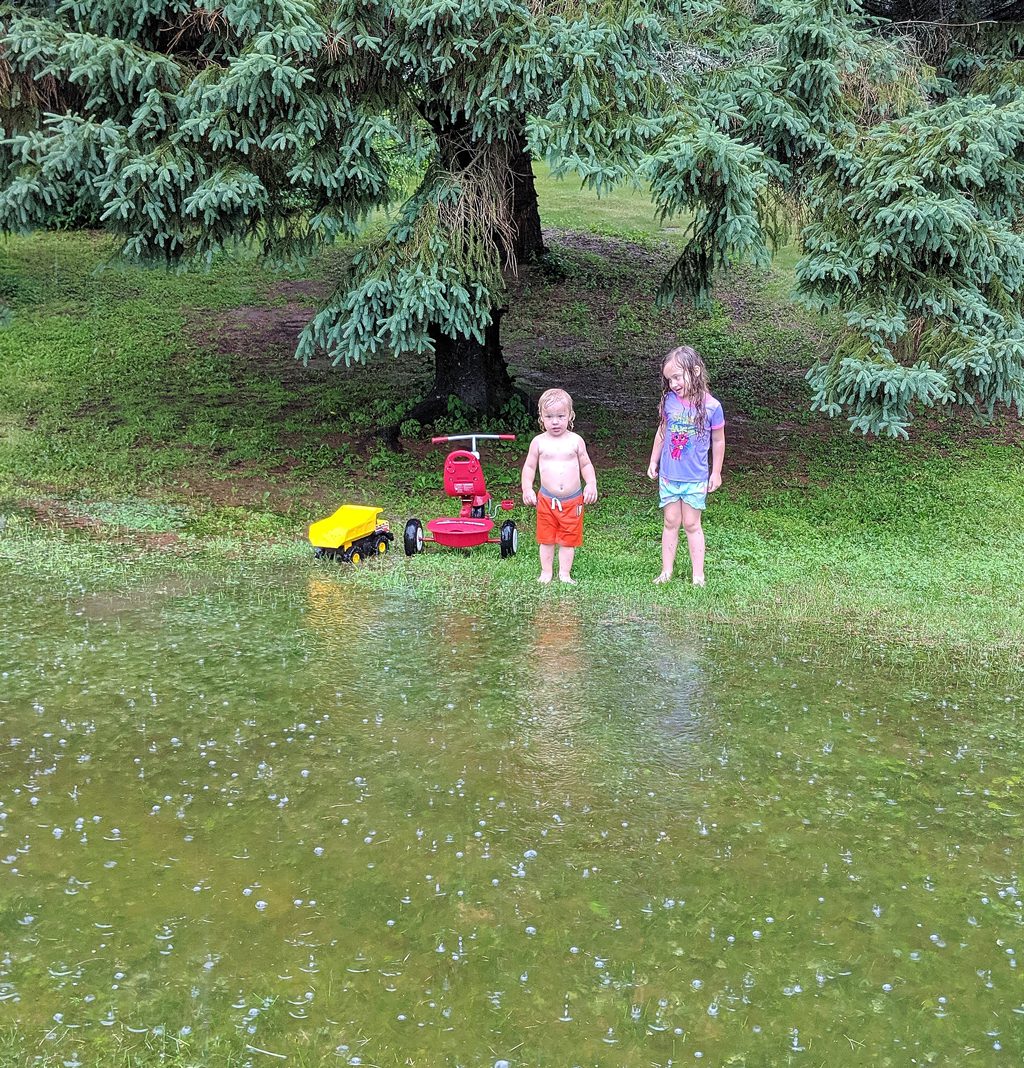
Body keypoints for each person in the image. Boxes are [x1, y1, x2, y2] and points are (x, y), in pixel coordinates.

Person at [646, 345, 725, 586]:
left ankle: (698, 575)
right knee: (670, 522)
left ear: (696, 371)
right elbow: (662, 430)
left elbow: (718, 440)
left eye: (677, 377)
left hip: (695, 478)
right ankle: (666, 571)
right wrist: (653, 459)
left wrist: (717, 472)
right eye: (669, 379)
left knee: (692, 524)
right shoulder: (669, 401)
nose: (673, 384)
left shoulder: (712, 407)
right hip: (669, 476)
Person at [521, 387, 598, 584]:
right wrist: (527, 488)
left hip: (573, 501)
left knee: (568, 539)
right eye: (549, 416)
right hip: (547, 500)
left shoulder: (575, 441)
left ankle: (564, 573)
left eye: (561, 416)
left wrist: (591, 484)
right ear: (542, 417)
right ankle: (546, 572)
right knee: (546, 539)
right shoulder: (539, 442)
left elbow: (586, 464)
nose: (555, 421)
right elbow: (529, 467)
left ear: (570, 415)